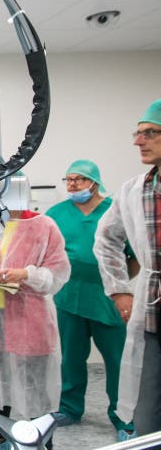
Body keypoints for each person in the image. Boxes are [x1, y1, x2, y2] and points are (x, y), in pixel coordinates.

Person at [45, 160, 135, 441]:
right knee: (71, 357)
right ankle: (70, 408)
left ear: (94, 183)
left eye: (79, 180)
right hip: (69, 297)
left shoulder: (114, 211)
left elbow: (134, 256)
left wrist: (119, 286)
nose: (72, 185)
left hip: (107, 299)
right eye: (68, 180)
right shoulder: (56, 213)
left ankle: (122, 416)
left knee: (116, 360)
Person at [0, 208, 70, 450]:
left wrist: (25, 274)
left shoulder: (44, 226)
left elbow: (58, 272)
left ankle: (42, 439)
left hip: (29, 316)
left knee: (36, 383)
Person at [94, 98, 161, 438]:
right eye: (137, 133)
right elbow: (105, 239)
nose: (138, 141)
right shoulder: (134, 190)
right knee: (148, 408)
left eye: (149, 133)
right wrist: (119, 290)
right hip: (150, 313)